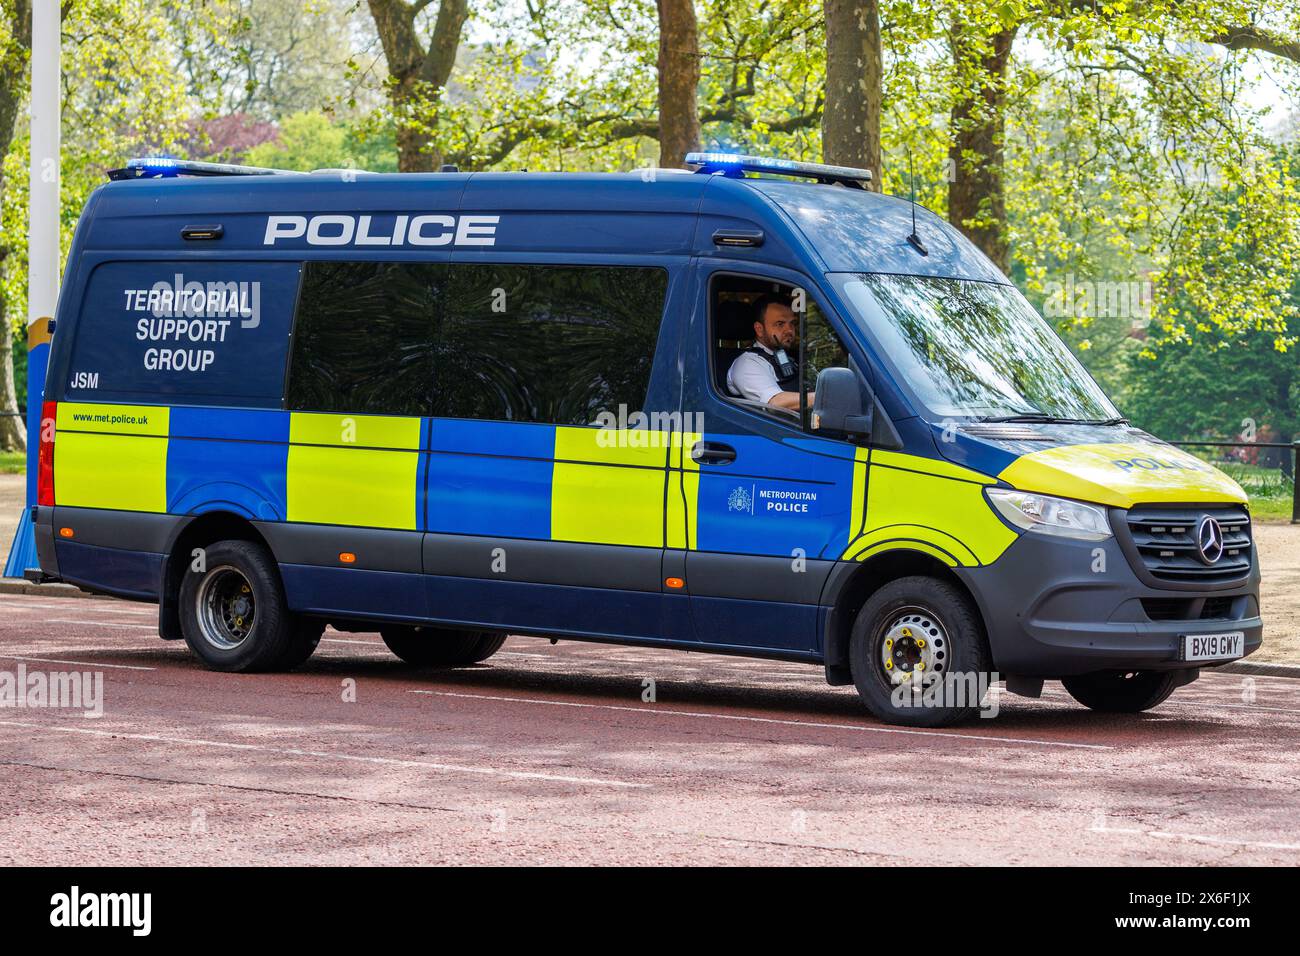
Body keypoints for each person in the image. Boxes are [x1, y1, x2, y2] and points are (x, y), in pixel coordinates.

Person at [726, 293, 815, 411]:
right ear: (759, 329)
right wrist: (824, 397)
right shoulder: (747, 363)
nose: (789, 330)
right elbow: (775, 403)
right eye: (780, 324)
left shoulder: (788, 356)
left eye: (792, 323)